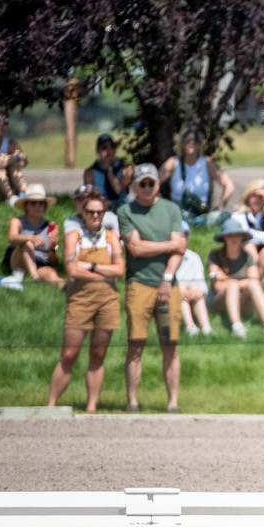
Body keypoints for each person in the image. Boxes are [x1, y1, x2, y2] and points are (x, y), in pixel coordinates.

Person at [118, 164, 186, 413]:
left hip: (168, 288)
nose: (147, 188)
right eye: (142, 184)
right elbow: (134, 248)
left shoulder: (171, 209)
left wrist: (167, 278)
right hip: (138, 286)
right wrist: (170, 243)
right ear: (134, 186)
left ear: (158, 184)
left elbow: (180, 251)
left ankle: (173, 403)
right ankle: (132, 402)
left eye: (151, 183)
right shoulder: (125, 211)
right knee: (136, 344)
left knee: (169, 344)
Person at [47, 195, 124, 412]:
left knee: (98, 354)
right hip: (79, 300)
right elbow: (71, 270)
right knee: (69, 354)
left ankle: (91, 407)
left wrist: (88, 266)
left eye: (100, 212)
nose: (96, 216)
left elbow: (119, 270)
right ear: (83, 213)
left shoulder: (111, 237)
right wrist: (103, 275)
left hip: (107, 301)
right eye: (91, 212)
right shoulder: (74, 236)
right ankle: (50, 405)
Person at [207, 218, 264, 338]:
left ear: (242, 237)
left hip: (243, 301)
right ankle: (237, 327)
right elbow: (218, 286)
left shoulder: (247, 256)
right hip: (218, 303)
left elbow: (255, 281)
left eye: (237, 235)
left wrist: (229, 281)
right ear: (224, 238)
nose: (234, 238)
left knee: (250, 285)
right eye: (230, 235)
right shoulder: (214, 255)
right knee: (233, 286)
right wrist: (237, 284)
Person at [0, 184, 62, 289]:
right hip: (19, 262)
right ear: (26, 205)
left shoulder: (51, 226)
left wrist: (53, 247)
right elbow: (12, 237)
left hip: (41, 263)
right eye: (33, 203)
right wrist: (30, 238)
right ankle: (35, 278)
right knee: (27, 243)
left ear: (45, 206)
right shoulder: (18, 221)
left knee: (52, 276)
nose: (38, 206)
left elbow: (53, 260)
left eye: (41, 203)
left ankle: (70, 290)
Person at [158, 129, 234, 219]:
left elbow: (229, 186)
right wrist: (161, 205)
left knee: (224, 216)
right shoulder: (173, 163)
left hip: (202, 212)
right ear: (181, 143)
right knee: (179, 217)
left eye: (195, 140)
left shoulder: (207, 163)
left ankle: (197, 223)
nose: (191, 143)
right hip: (179, 212)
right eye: (187, 140)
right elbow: (154, 183)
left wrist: (220, 207)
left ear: (199, 145)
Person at [175, 222, 211, 336]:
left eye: (185, 235)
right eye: (179, 235)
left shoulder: (194, 257)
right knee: (180, 288)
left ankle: (206, 327)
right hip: (174, 296)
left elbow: (203, 285)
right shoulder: (164, 258)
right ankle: (190, 326)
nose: (183, 238)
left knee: (196, 289)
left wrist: (197, 290)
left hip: (193, 295)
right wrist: (181, 290)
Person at [83, 134, 133, 207]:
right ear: (98, 151)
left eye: (112, 146)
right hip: (101, 205)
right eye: (104, 147)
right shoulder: (90, 172)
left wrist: (109, 169)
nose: (109, 150)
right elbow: (90, 196)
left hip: (122, 204)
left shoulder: (126, 169)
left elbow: (118, 190)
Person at [231, 178, 264, 249]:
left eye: (261, 196)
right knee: (250, 247)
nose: (257, 200)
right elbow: (246, 236)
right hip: (245, 254)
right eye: (254, 196)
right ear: (247, 197)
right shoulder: (238, 216)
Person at [0, 111, 27, 200]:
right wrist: (14, 157)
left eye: (5, 122)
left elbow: (23, 163)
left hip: (2, 191)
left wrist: (18, 158)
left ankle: (24, 193)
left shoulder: (11, 144)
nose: (2, 126)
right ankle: (12, 197)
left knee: (13, 167)